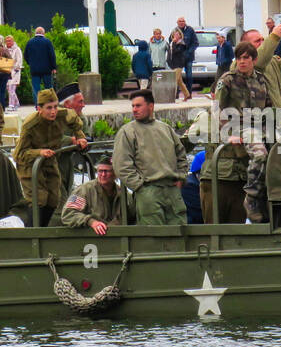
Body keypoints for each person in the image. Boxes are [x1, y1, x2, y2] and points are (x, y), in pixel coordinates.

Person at [211, 39, 272, 223]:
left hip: (261, 126)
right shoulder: (228, 80)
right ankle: (251, 198)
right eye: (239, 58)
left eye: (246, 58)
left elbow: (269, 108)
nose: (242, 62)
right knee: (260, 155)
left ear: (254, 59)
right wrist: (229, 135)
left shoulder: (261, 80)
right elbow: (217, 110)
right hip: (239, 127)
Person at [112, 89, 189, 225]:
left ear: (151, 106)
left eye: (138, 105)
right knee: (153, 238)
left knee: (180, 234)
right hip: (148, 190)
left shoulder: (166, 129)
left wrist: (181, 178)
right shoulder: (127, 132)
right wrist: (140, 187)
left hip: (172, 190)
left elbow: (181, 156)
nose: (134, 109)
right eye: (133, 106)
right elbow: (121, 165)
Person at [13, 88, 66, 227]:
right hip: (30, 165)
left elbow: (74, 122)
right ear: (39, 109)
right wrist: (39, 152)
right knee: (39, 199)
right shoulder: (30, 125)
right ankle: (33, 234)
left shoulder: (60, 117)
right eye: (49, 108)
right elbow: (18, 155)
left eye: (55, 107)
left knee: (54, 198)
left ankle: (42, 231)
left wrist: (79, 138)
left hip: (49, 163)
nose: (53, 111)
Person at [243, 19, 281, 106]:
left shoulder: (273, 62)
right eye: (257, 41)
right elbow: (257, 63)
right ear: (245, 45)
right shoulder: (241, 64)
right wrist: (274, 36)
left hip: (277, 116)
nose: (262, 43)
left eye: (263, 40)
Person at [60, 157, 129, 234]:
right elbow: (68, 214)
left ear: (115, 173)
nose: (103, 175)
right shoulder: (85, 190)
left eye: (107, 171)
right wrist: (91, 222)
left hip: (116, 237)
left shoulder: (123, 194)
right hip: (89, 238)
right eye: (100, 171)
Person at [54, 82, 90, 191]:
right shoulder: (54, 117)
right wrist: (71, 141)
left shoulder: (80, 118)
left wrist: (85, 142)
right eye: (80, 102)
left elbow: (86, 136)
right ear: (67, 104)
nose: (83, 105)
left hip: (67, 164)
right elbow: (50, 138)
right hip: (51, 166)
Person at [24, 25, 57, 101]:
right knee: (48, 88)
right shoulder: (47, 42)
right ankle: (49, 103)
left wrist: (30, 63)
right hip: (47, 69)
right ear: (43, 33)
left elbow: (26, 55)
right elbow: (52, 55)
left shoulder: (30, 42)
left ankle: (38, 105)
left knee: (36, 89)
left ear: (35, 33)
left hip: (34, 69)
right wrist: (54, 67)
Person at [167, 28, 192, 101]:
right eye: (174, 34)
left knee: (174, 81)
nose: (176, 36)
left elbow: (175, 51)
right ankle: (187, 94)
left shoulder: (182, 44)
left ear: (180, 36)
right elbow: (170, 53)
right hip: (173, 64)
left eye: (177, 34)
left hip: (179, 64)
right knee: (179, 82)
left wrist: (174, 43)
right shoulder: (172, 43)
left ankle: (171, 97)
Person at [176, 17, 198, 95]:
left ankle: (189, 93)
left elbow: (195, 43)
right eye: (180, 21)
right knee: (177, 77)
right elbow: (171, 41)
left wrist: (189, 52)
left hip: (188, 57)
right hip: (178, 58)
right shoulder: (175, 31)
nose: (181, 22)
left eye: (183, 21)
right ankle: (176, 94)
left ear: (185, 22)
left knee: (189, 76)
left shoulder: (190, 30)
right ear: (177, 23)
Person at [5, 34, 24, 110]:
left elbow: (19, 60)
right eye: (7, 41)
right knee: (8, 89)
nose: (8, 42)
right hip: (6, 71)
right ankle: (16, 103)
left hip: (15, 71)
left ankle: (11, 105)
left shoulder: (17, 49)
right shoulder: (5, 49)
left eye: (10, 41)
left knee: (12, 88)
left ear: (13, 41)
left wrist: (16, 68)